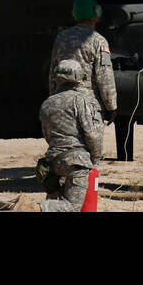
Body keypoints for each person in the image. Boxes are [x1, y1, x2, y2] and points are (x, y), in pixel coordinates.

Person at [35, 59, 103, 212]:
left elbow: (47, 135)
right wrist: (96, 157)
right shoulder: (79, 101)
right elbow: (92, 134)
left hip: (52, 162)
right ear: (78, 78)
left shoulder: (47, 103)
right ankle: (32, 208)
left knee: (56, 202)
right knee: (72, 206)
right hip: (76, 163)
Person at [48, 0, 117, 124]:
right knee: (91, 144)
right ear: (96, 13)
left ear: (74, 14)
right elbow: (104, 77)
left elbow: (53, 72)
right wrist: (111, 106)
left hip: (62, 103)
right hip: (88, 107)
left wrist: (53, 98)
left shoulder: (61, 37)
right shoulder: (98, 40)